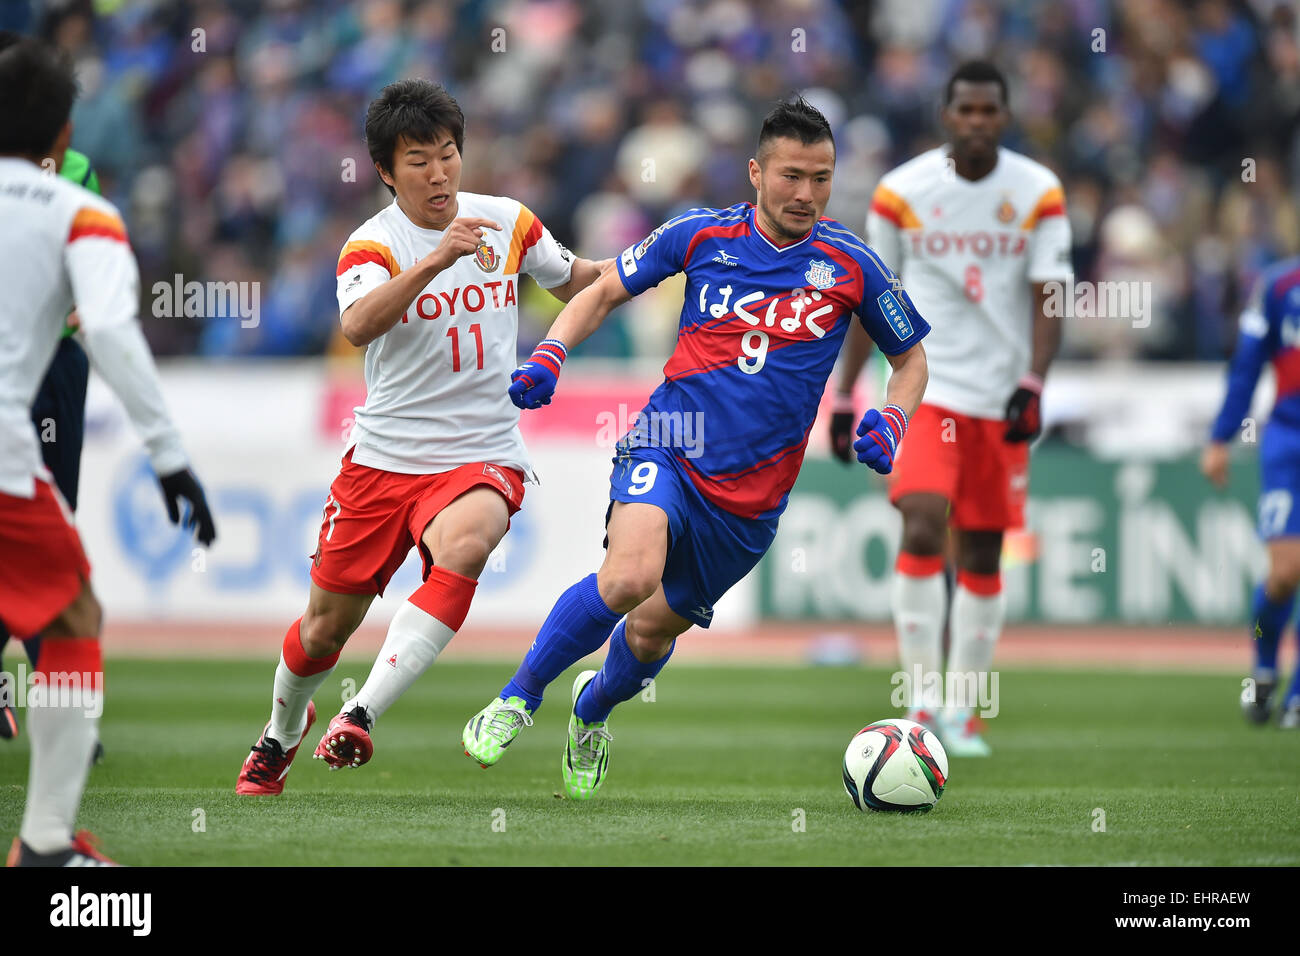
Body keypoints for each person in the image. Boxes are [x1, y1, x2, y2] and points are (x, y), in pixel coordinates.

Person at [462, 96, 930, 800]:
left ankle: (591, 712)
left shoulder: (851, 264)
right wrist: (552, 353)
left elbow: (913, 359)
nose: (806, 193)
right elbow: (603, 290)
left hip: (750, 502)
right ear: (755, 172)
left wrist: (893, 420)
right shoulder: (698, 235)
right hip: (669, 443)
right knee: (626, 579)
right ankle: (517, 697)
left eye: (821, 178)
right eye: (792, 176)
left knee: (648, 637)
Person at [235, 79, 610, 794]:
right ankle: (281, 734)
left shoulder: (507, 222)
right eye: (418, 160)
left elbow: (582, 281)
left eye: (448, 154)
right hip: (383, 460)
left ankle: (361, 714)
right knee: (321, 632)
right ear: (384, 170)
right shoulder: (369, 246)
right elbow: (358, 324)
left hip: (482, 450)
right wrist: (437, 259)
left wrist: (658, 261)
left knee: (467, 546)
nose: (439, 173)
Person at [1, 36, 215, 866]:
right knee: (73, 615)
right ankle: (49, 845)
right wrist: (169, 455)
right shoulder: (77, 211)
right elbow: (114, 334)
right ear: (62, 135)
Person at [831, 61, 1073, 757]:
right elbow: (868, 297)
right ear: (946, 114)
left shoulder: (1038, 192)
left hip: (1000, 395)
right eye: (964, 110)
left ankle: (965, 711)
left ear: (1004, 116)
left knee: (986, 548)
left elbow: (1049, 294)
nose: (975, 122)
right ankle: (923, 704)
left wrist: (1034, 381)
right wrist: (849, 394)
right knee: (921, 521)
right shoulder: (901, 191)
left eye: (988, 111)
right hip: (924, 389)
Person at [0, 121, 103, 754]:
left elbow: (90, 264)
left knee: (55, 525)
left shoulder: (76, 170)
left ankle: (58, 708)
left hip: (55, 363)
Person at [1203, 255, 1300, 728]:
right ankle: (1264, 668)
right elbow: (1246, 367)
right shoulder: (1279, 285)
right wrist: (1220, 437)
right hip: (1288, 439)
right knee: (1285, 572)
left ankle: (1297, 696)